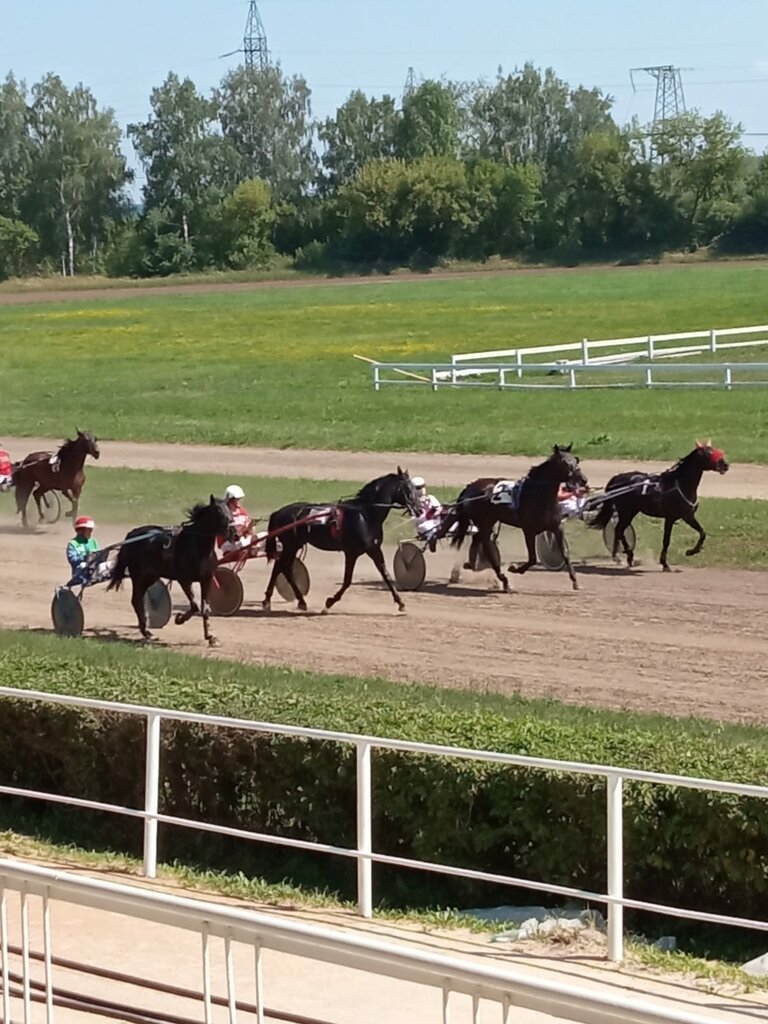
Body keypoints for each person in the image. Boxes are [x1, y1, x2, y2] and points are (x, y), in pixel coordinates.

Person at [66, 515, 109, 586]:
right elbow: (72, 560)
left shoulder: (93, 541)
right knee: (82, 565)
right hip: (80, 571)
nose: (91, 532)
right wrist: (85, 557)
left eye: (91, 529)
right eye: (88, 529)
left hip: (93, 568)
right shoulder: (73, 543)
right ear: (80, 530)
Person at [217, 484, 254, 554]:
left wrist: (250, 526)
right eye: (238, 499)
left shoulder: (243, 512)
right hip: (227, 543)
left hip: (242, 540)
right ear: (231, 500)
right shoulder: (224, 514)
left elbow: (248, 531)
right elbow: (227, 533)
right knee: (243, 543)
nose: (240, 501)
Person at [411, 476, 444, 543]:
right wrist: (427, 515)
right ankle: (431, 541)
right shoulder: (413, 503)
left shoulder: (431, 497)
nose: (422, 489)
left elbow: (439, 508)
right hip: (424, 525)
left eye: (423, 486)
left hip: (437, 521)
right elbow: (415, 519)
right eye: (419, 488)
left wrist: (438, 511)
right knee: (430, 528)